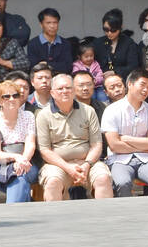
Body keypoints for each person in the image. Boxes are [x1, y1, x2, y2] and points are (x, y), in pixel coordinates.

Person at [36, 73, 114, 201]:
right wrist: (68, 168)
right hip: (58, 165)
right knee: (52, 183)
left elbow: (96, 145)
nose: (65, 91)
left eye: (68, 88)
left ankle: (104, 218)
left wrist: (86, 165)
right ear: (52, 93)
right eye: (60, 89)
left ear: (73, 91)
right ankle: (55, 220)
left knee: (103, 178)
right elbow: (45, 151)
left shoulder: (88, 111)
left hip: (88, 163)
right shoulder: (43, 115)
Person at [101, 69, 148, 198]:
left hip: (146, 159)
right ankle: (127, 216)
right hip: (119, 160)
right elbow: (114, 145)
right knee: (122, 182)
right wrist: (143, 145)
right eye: (142, 85)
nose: (146, 90)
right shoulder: (111, 110)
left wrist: (126, 138)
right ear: (130, 85)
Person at [0, 78, 40, 203]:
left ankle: (14, 215)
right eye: (6, 96)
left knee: (20, 176)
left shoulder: (28, 116)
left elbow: (31, 145)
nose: (11, 99)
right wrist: (17, 158)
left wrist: (22, 161)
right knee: (20, 180)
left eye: (15, 95)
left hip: (26, 163)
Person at [93, 8, 142, 80]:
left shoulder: (129, 44)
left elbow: (133, 67)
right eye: (106, 29)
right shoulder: (97, 43)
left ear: (120, 27)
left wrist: (115, 72)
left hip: (121, 82)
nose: (109, 33)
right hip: (100, 82)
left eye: (113, 30)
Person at [25, 7, 74, 76]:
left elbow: (67, 67)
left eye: (55, 22)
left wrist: (46, 64)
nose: (52, 26)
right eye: (48, 23)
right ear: (41, 24)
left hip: (60, 81)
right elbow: (34, 68)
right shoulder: (33, 44)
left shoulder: (65, 44)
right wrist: (57, 66)